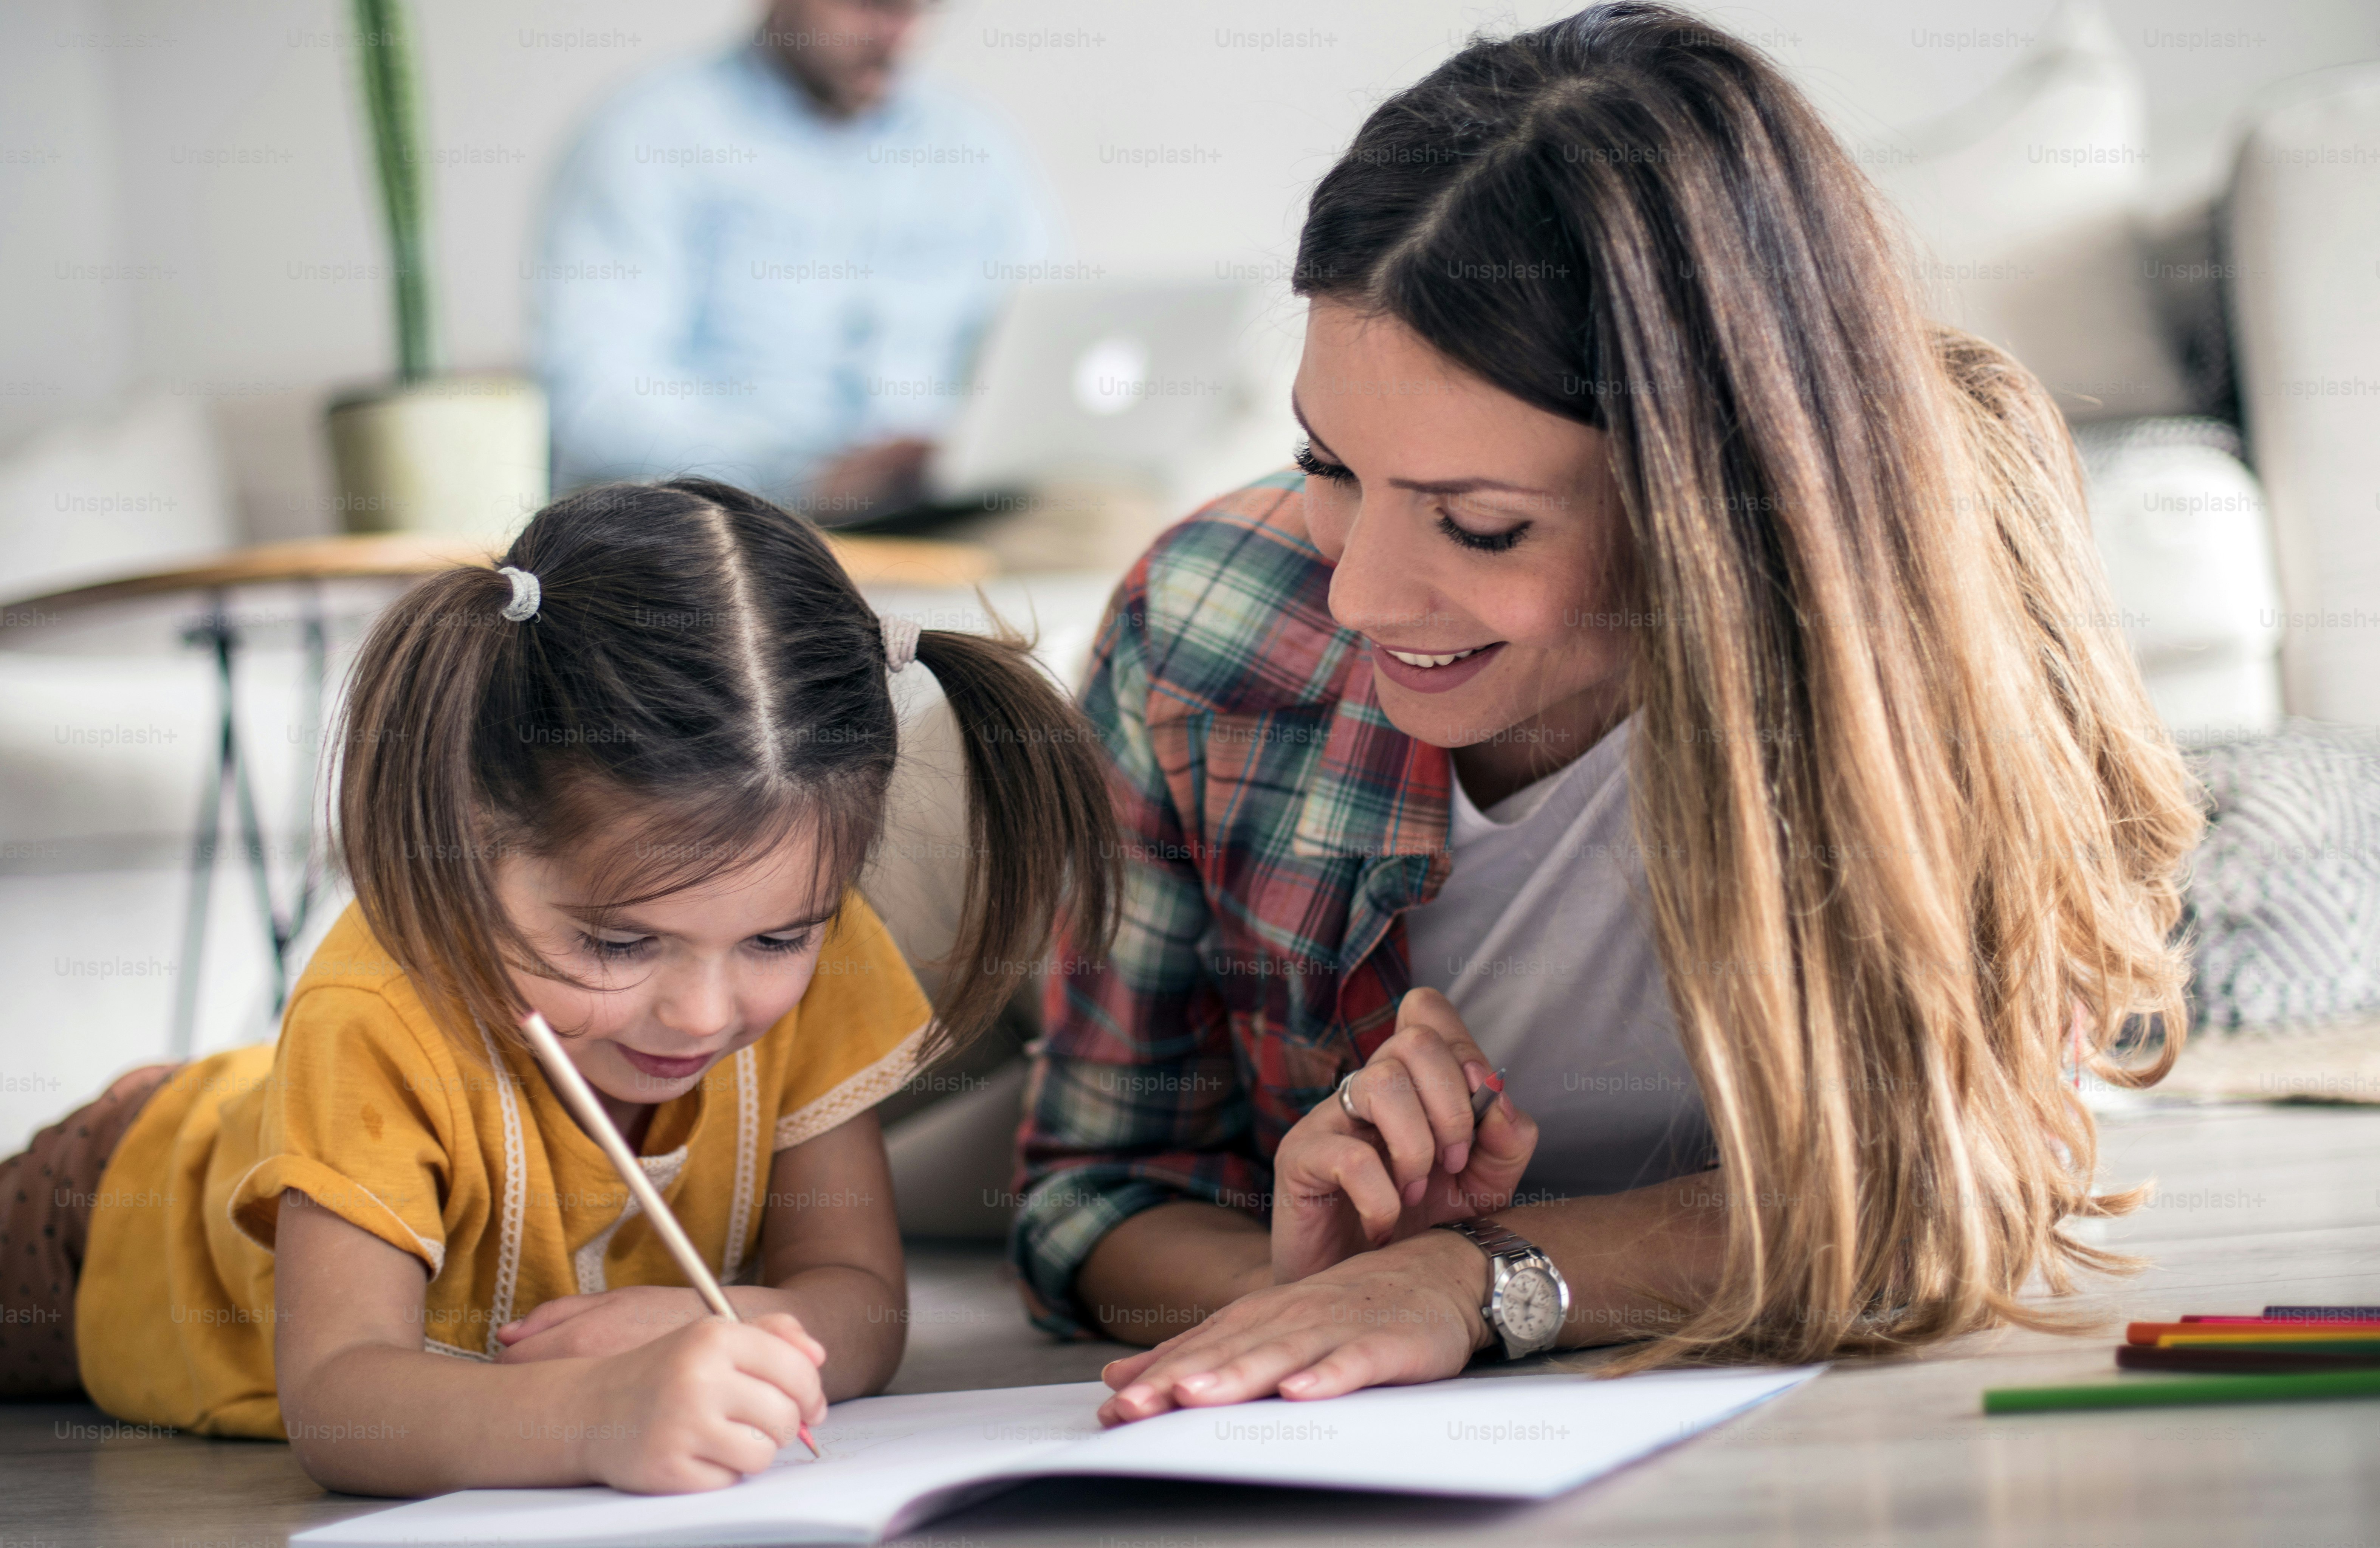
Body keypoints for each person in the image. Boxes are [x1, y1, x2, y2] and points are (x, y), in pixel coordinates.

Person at [1012, 2, 2203, 1426]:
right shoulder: (1211, 620)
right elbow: (1095, 1185)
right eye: (1326, 464)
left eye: (1479, 524)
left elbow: (1953, 1183)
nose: (1360, 595)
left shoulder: (1935, 601)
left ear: (1706, 496)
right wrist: (1316, 1285)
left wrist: (1480, 1278)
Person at [0, 478, 1116, 1495]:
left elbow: (861, 1299)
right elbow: (340, 1401)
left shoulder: (830, 958)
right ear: (469, 842)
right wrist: (594, 1412)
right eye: (620, 944)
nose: (703, 1013)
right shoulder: (372, 1017)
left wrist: (729, 1322)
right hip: (111, 1204)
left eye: (777, 938)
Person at [535, 0, 1056, 516]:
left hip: (941, 508)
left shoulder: (977, 146)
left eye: (917, 9)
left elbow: (1040, 348)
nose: (897, 33)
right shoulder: (649, 132)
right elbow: (593, 400)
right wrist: (793, 480)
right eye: (871, 5)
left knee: (1087, 519)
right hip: (723, 520)